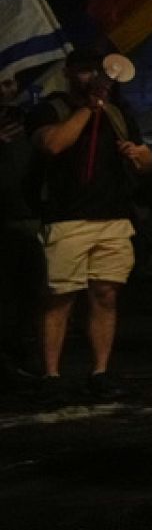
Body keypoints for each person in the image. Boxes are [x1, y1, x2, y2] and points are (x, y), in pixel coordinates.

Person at [28, 48, 152, 403]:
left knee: (106, 295)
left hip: (113, 217)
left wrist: (141, 156)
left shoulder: (119, 113)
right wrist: (88, 107)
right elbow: (53, 145)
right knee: (59, 297)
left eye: (97, 71)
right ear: (68, 73)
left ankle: (100, 371)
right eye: (85, 71)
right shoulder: (51, 109)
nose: (94, 77)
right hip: (67, 218)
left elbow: (146, 160)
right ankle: (51, 375)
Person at [0, 73, 44, 387]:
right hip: (4, 222)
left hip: (26, 219)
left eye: (11, 83)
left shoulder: (26, 119)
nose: (8, 89)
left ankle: (18, 356)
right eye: (3, 83)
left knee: (27, 296)